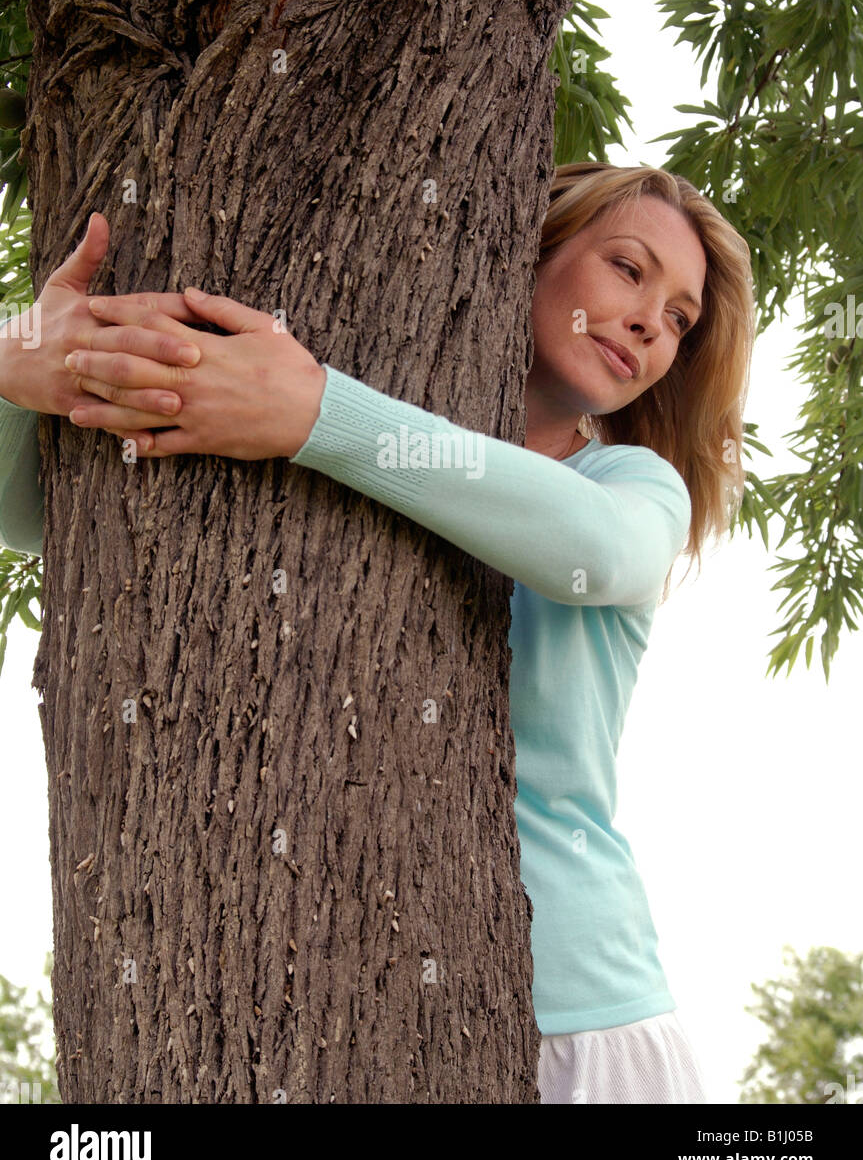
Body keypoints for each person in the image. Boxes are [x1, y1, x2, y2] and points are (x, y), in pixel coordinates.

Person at [0, 161, 755, 1102]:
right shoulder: (381, 410)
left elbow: (598, 553)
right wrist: (18, 359)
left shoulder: (630, 486)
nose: (652, 321)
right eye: (627, 269)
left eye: (681, 318)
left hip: (576, 1015)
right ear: (530, 247)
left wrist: (315, 413)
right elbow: (32, 515)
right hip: (330, 992)